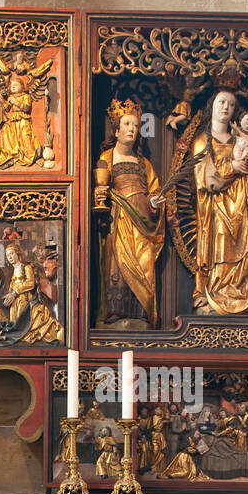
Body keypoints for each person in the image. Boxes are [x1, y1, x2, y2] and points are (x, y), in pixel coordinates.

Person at [189, 90, 248, 315]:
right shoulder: (203, 141)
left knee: (242, 244)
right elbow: (206, 179)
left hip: (243, 203)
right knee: (220, 244)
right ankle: (215, 291)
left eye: (231, 105)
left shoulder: (240, 139)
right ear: (212, 106)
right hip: (216, 207)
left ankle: (238, 289)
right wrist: (234, 167)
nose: (226, 107)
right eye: (221, 102)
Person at [94, 99, 164, 328]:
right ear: (116, 130)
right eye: (127, 124)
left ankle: (141, 310)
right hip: (119, 219)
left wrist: (154, 202)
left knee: (143, 265)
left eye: (135, 125)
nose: (132, 129)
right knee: (117, 264)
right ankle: (117, 311)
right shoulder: (106, 157)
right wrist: (100, 194)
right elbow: (99, 188)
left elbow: (154, 189)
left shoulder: (144, 163)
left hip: (142, 222)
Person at [1, 243, 63, 344]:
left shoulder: (26, 267)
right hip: (15, 301)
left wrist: (15, 292)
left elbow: (30, 283)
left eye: (12, 254)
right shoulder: (14, 270)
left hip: (25, 299)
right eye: (8, 255)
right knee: (16, 324)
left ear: (17, 254)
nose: (10, 257)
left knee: (24, 322)